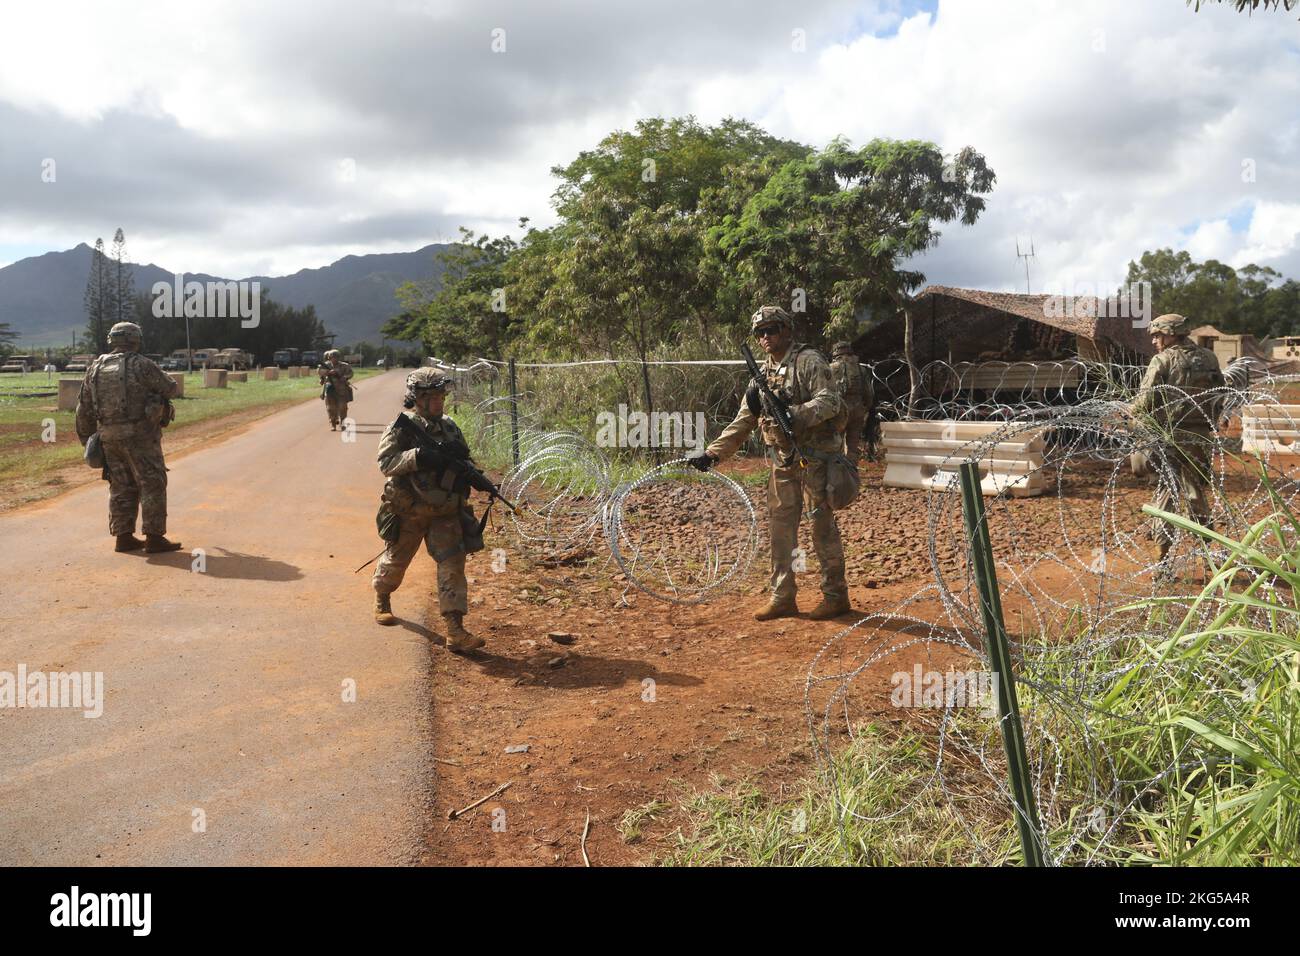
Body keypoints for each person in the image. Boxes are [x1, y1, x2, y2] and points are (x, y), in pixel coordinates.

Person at [688, 306, 850, 621]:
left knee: (822, 528)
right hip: (783, 461)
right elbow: (744, 420)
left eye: (771, 329)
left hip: (816, 460)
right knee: (781, 530)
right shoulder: (763, 374)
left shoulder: (809, 361)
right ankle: (782, 597)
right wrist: (713, 453)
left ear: (786, 329)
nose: (765, 337)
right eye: (760, 332)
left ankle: (835, 596)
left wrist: (795, 413)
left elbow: (830, 401)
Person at [371, 368, 483, 652]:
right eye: (432, 396)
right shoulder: (402, 426)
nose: (439, 401)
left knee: (453, 565)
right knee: (396, 563)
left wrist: (472, 475)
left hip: (444, 511)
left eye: (442, 395)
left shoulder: (450, 426)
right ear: (418, 398)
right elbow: (386, 462)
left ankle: (455, 631)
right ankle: (382, 596)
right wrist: (419, 456)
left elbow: (465, 458)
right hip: (410, 509)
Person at [74, 321, 182, 553]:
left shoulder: (94, 368)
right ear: (136, 340)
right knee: (152, 482)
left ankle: (123, 537)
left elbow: (83, 409)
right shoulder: (142, 365)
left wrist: (88, 441)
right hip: (140, 436)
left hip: (108, 437)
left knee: (121, 486)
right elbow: (170, 388)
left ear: (112, 340)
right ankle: (154, 538)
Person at [1129, 313, 1224, 566]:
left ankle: (1162, 557)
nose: (1154, 341)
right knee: (1195, 491)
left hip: (1168, 436)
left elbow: (1145, 401)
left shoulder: (1163, 360)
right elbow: (1220, 394)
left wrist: (1128, 415)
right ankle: (1208, 551)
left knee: (1167, 492)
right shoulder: (1210, 358)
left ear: (1171, 333)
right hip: (1200, 437)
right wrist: (1208, 422)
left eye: (1157, 335)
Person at [830, 341, 872, 464]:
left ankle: (838, 475)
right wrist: (865, 408)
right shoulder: (861, 368)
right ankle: (852, 474)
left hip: (839, 411)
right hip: (858, 410)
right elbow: (868, 393)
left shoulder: (830, 368)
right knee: (853, 447)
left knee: (835, 446)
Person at [318, 349, 354, 431]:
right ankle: (333, 424)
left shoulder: (344, 365)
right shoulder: (325, 365)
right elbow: (319, 372)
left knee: (343, 408)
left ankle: (342, 424)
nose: (333, 359)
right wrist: (328, 372)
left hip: (341, 390)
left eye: (335, 357)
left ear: (338, 357)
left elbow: (350, 373)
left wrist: (344, 377)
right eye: (331, 357)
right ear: (329, 358)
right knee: (330, 409)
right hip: (330, 390)